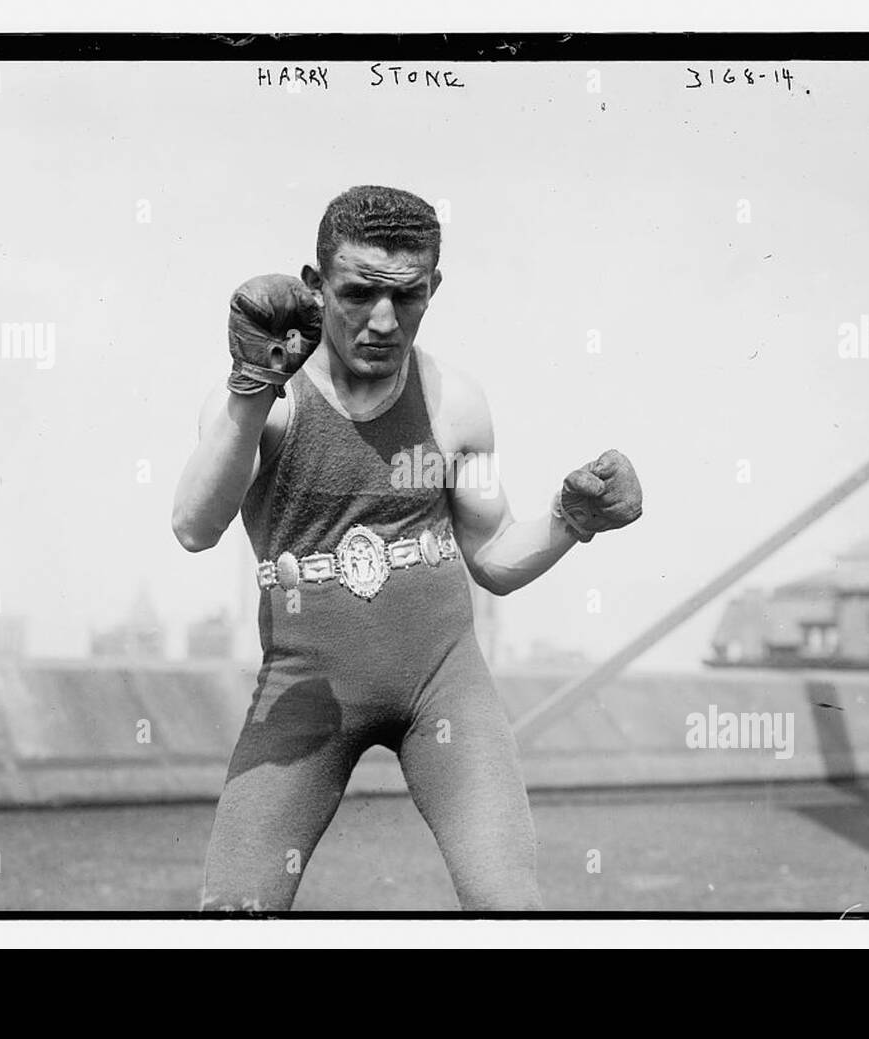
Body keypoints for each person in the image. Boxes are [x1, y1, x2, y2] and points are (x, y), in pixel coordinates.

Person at [172, 185, 643, 911]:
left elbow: (492, 555)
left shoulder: (456, 402)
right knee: (235, 913)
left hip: (444, 686)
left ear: (434, 286)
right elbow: (194, 527)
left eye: (410, 296)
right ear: (314, 285)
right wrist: (248, 391)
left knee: (509, 907)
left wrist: (570, 517)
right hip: (306, 696)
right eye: (358, 293)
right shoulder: (270, 400)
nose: (385, 321)